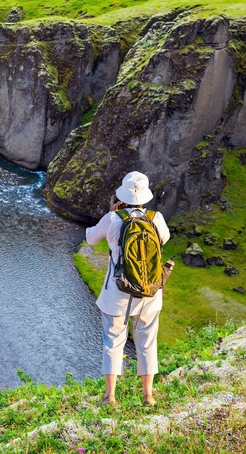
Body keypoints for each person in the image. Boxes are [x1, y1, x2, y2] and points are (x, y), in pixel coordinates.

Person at [85, 171, 170, 407]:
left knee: (113, 342)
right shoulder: (157, 218)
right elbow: (164, 239)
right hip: (149, 293)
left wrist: (111, 213)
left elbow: (91, 238)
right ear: (145, 196)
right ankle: (148, 396)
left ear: (122, 196)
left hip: (117, 292)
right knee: (147, 342)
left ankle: (110, 396)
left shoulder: (113, 219)